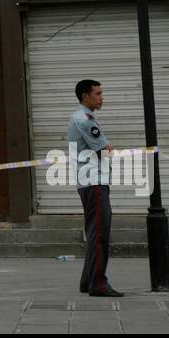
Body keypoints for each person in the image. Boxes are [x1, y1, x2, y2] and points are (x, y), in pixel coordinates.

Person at [69, 79, 123, 297]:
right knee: (100, 233)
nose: (102, 97)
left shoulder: (81, 117)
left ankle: (88, 281)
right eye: (98, 93)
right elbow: (105, 150)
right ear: (85, 96)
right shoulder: (84, 120)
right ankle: (98, 284)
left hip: (90, 182)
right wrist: (108, 147)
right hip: (94, 182)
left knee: (94, 232)